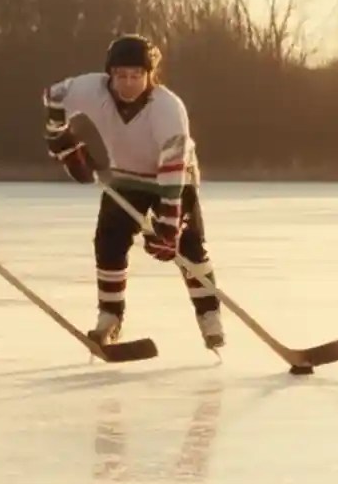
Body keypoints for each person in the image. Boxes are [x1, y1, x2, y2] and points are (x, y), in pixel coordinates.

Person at [42, 33, 224, 350]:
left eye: (136, 76)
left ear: (149, 75)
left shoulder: (168, 108)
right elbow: (54, 96)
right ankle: (110, 317)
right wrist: (61, 141)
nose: (127, 83)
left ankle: (209, 316)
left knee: (189, 247)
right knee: (109, 241)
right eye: (121, 76)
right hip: (127, 176)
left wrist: (169, 224)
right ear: (110, 74)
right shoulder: (91, 88)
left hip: (176, 176)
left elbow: (172, 168)